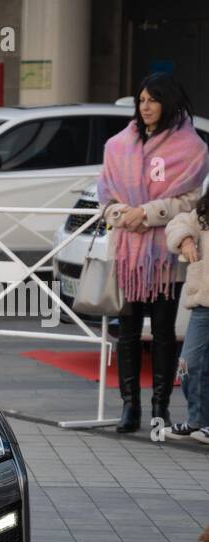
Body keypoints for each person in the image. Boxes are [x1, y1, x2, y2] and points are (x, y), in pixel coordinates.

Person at [99, 73, 209, 433]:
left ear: (169, 102)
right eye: (141, 100)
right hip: (129, 255)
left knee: (163, 332)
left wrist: (146, 213)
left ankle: (159, 407)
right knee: (127, 330)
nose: (145, 107)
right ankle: (130, 407)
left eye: (152, 100)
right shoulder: (118, 145)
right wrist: (122, 215)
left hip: (165, 256)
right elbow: (106, 197)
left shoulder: (191, 148)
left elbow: (191, 201)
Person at [166, 197, 209, 444]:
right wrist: (186, 239)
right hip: (203, 304)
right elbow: (177, 223)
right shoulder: (202, 214)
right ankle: (197, 421)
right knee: (186, 364)